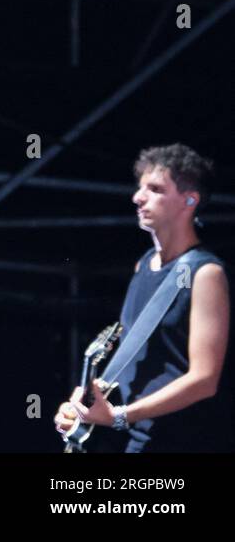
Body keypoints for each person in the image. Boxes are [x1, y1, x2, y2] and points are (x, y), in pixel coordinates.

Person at [54, 145, 231, 451]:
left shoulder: (206, 274)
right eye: (140, 188)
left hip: (179, 441)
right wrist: (83, 406)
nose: (138, 197)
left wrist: (120, 416)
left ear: (190, 200)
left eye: (155, 189)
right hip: (130, 439)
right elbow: (131, 358)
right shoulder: (143, 265)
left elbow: (205, 379)